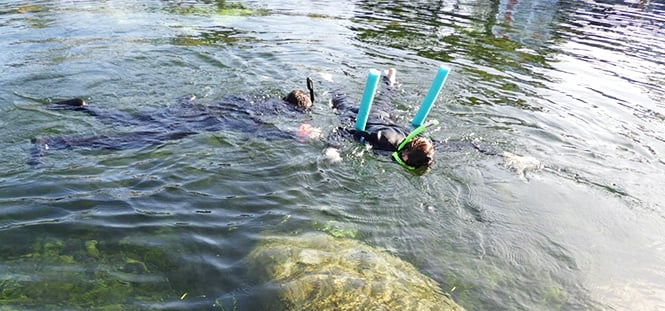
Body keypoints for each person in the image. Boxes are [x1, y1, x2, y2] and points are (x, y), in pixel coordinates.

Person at [31, 78, 319, 161]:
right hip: (195, 123)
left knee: (130, 119)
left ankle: (84, 108)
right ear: (295, 109)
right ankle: (55, 143)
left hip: (189, 111)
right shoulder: (271, 112)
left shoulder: (257, 98)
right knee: (132, 140)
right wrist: (294, 136)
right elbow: (255, 130)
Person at [326, 68, 540, 176]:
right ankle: (329, 80)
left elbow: (471, 144)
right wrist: (332, 149)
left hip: (386, 117)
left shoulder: (428, 149)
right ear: (406, 156)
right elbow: (343, 131)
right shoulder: (381, 141)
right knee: (340, 103)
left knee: (387, 98)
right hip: (366, 120)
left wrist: (507, 155)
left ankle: (390, 81)